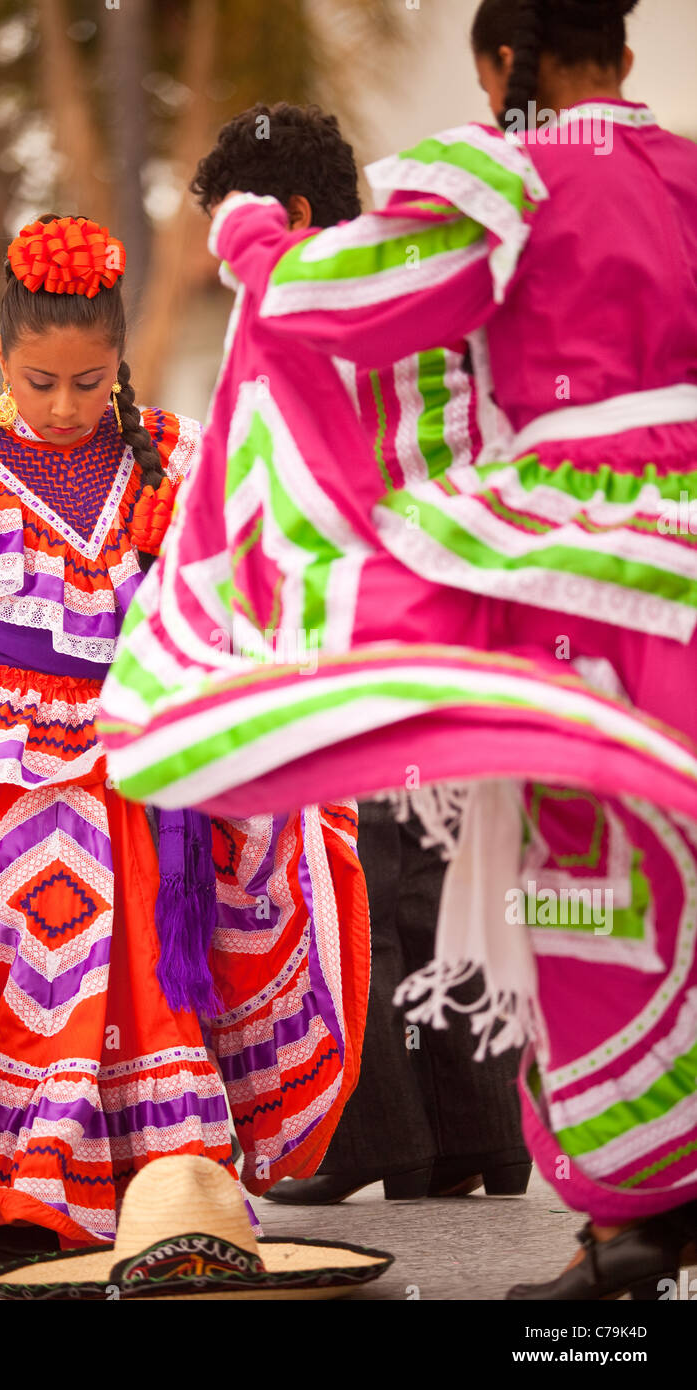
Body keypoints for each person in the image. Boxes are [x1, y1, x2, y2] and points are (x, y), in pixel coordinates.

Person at [99, 0, 697, 1298]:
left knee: (586, 885)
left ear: (500, 65)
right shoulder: (685, 166)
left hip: (580, 567)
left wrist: (259, 244)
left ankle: (633, 1210)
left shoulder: (510, 169)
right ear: (627, 54)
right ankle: (628, 1211)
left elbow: (349, 304)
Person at [0, 215, 369, 1255]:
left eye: (87, 381)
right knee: (23, 934)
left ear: (118, 358)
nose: (65, 405)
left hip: (134, 746)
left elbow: (242, 573)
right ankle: (8, 1179)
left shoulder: (167, 455)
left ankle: (136, 1180)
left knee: (144, 952)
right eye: (39, 382)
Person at [189, 100, 529, 1205]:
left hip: (346, 618)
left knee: (358, 883)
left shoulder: (300, 298)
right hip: (448, 608)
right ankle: (478, 1134)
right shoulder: (416, 277)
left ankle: (365, 1136)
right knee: (439, 875)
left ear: (282, 214)